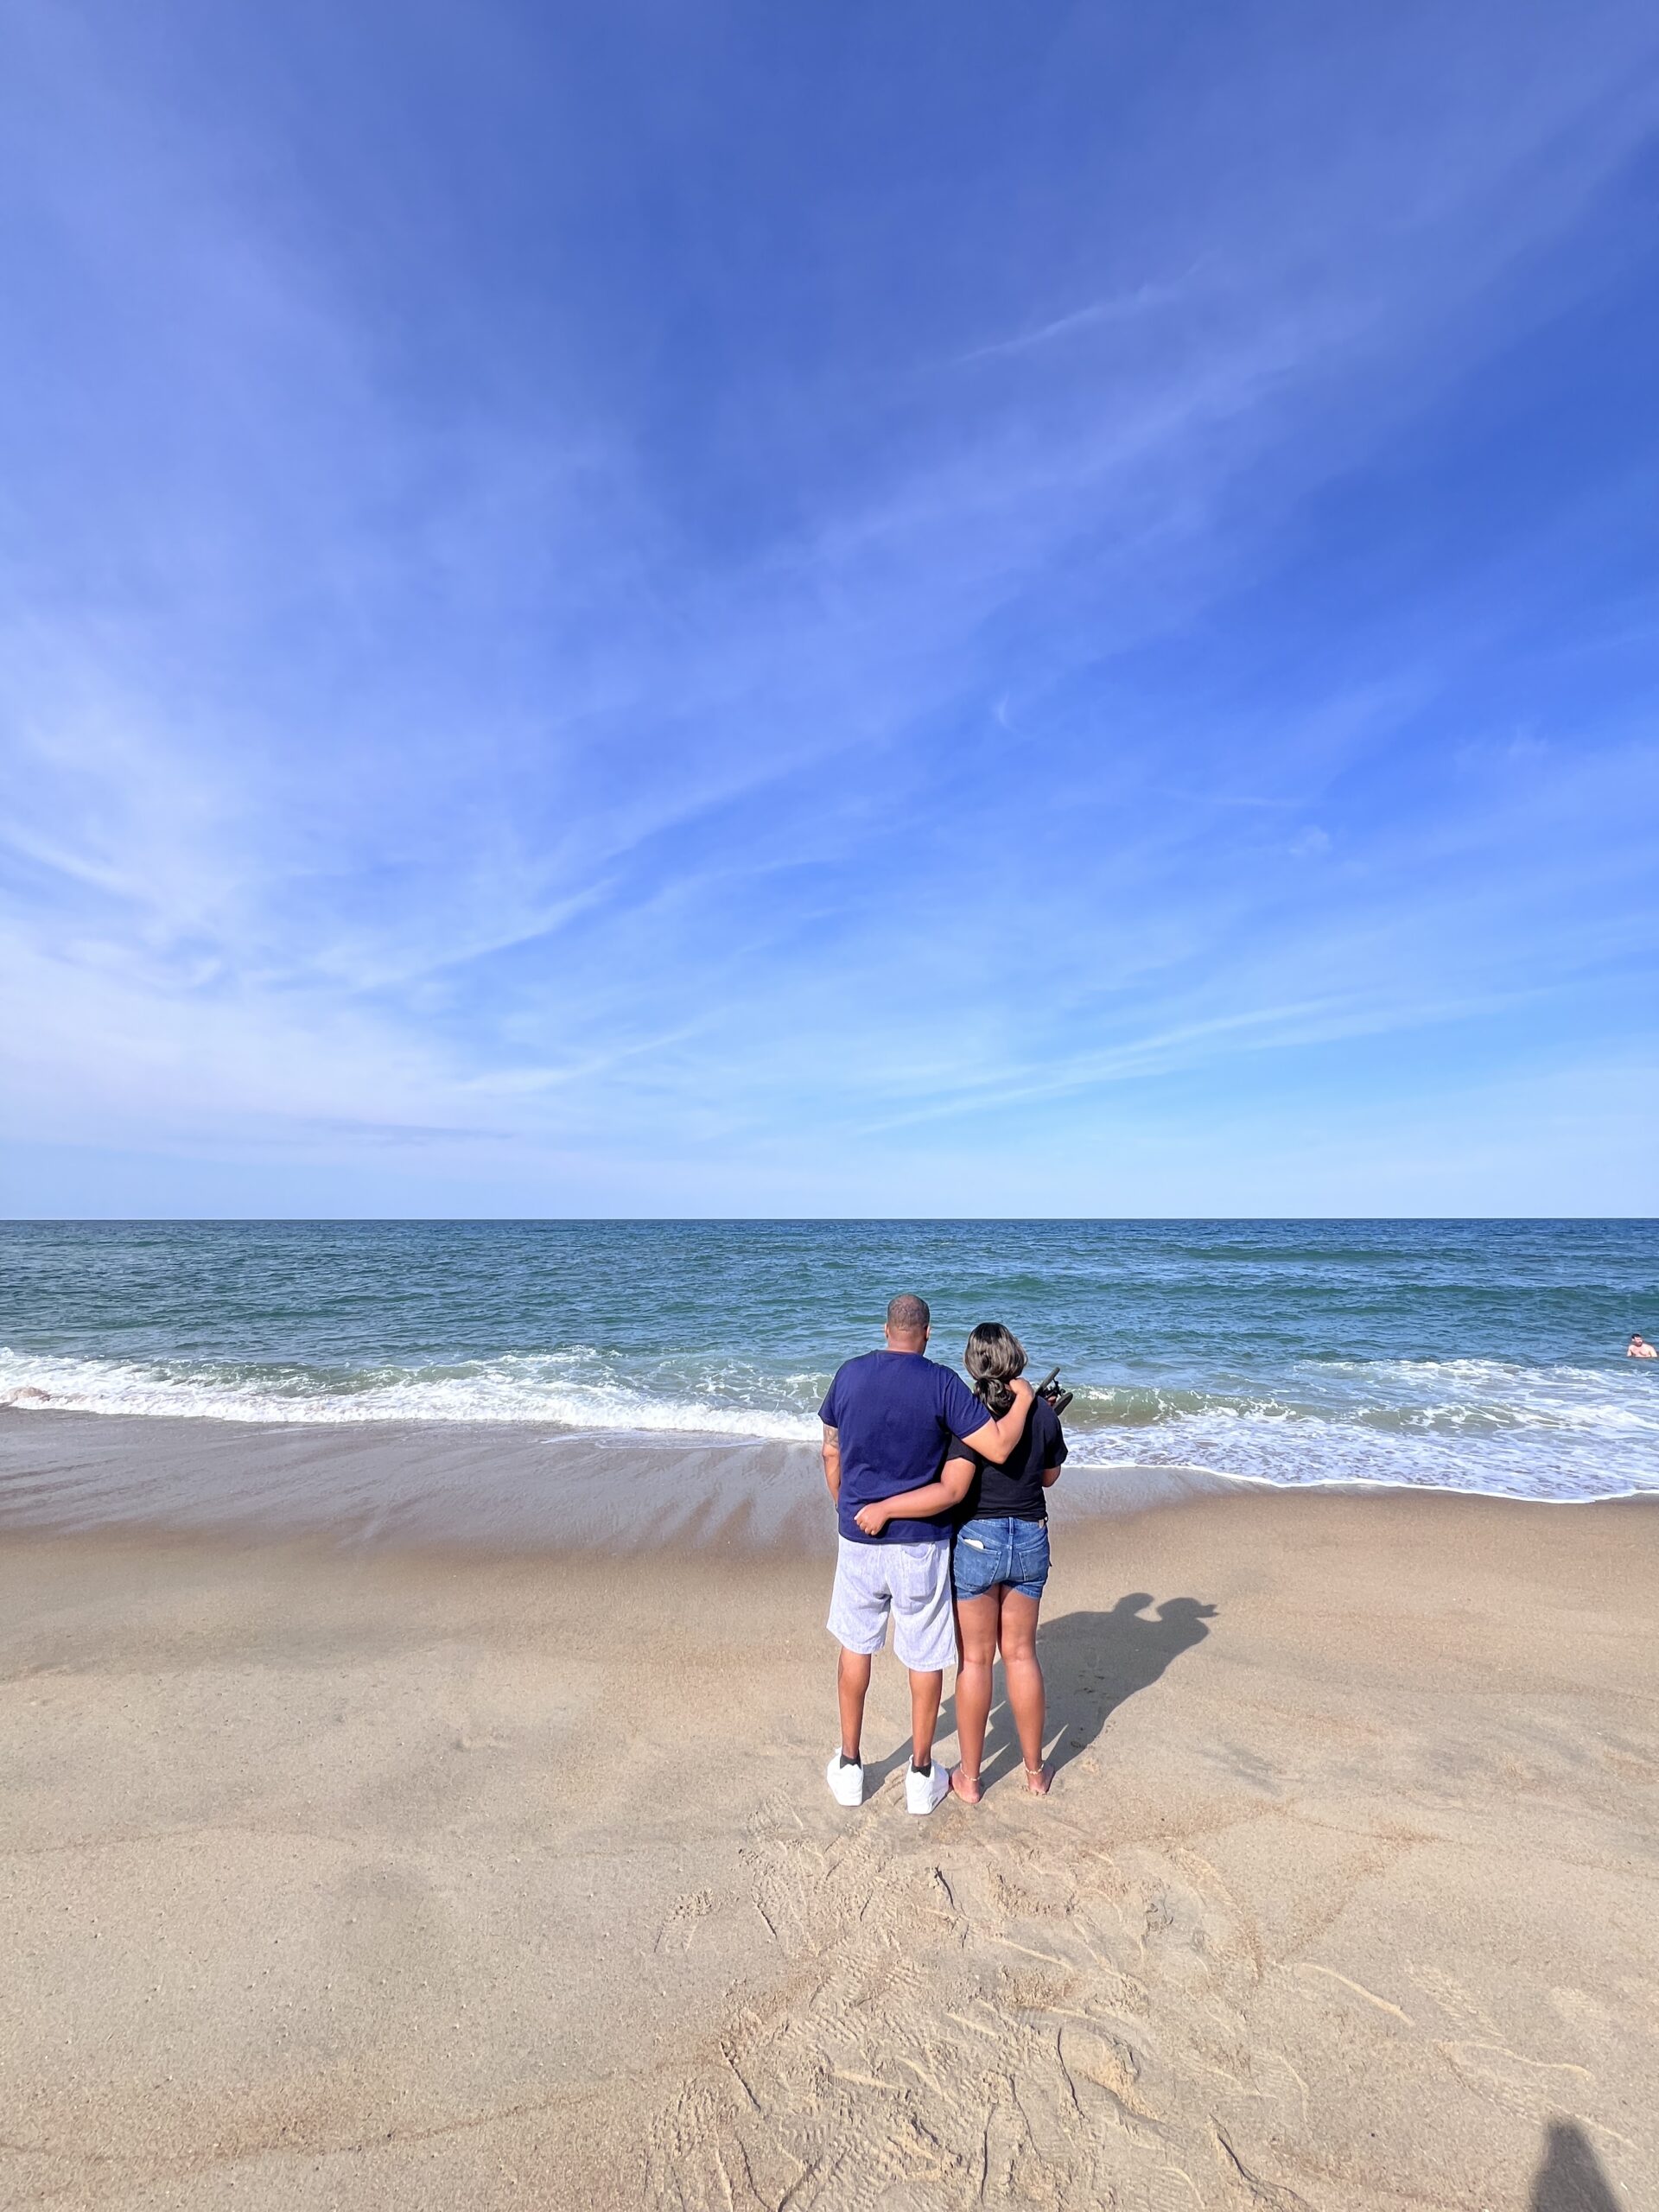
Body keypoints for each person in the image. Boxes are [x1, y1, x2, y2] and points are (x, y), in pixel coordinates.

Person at [820, 1294, 1033, 1815]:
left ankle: (850, 1765)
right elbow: (999, 1448)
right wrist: (1026, 1399)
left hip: (860, 1540)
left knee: (856, 1646)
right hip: (922, 1542)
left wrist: (848, 1508)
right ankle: (919, 1774)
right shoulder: (942, 1383)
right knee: (924, 1655)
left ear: (885, 1328)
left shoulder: (848, 1375)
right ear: (928, 1333)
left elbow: (830, 1446)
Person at [855, 1322, 1066, 1801]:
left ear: (973, 1365)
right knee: (1021, 1655)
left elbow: (957, 1483)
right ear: (1017, 1359)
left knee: (976, 1660)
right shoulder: (1040, 1415)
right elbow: (1050, 1476)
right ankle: (1035, 1774)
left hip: (976, 1542)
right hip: (1030, 1537)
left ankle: (969, 1780)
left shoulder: (967, 1413)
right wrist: (1042, 1419)